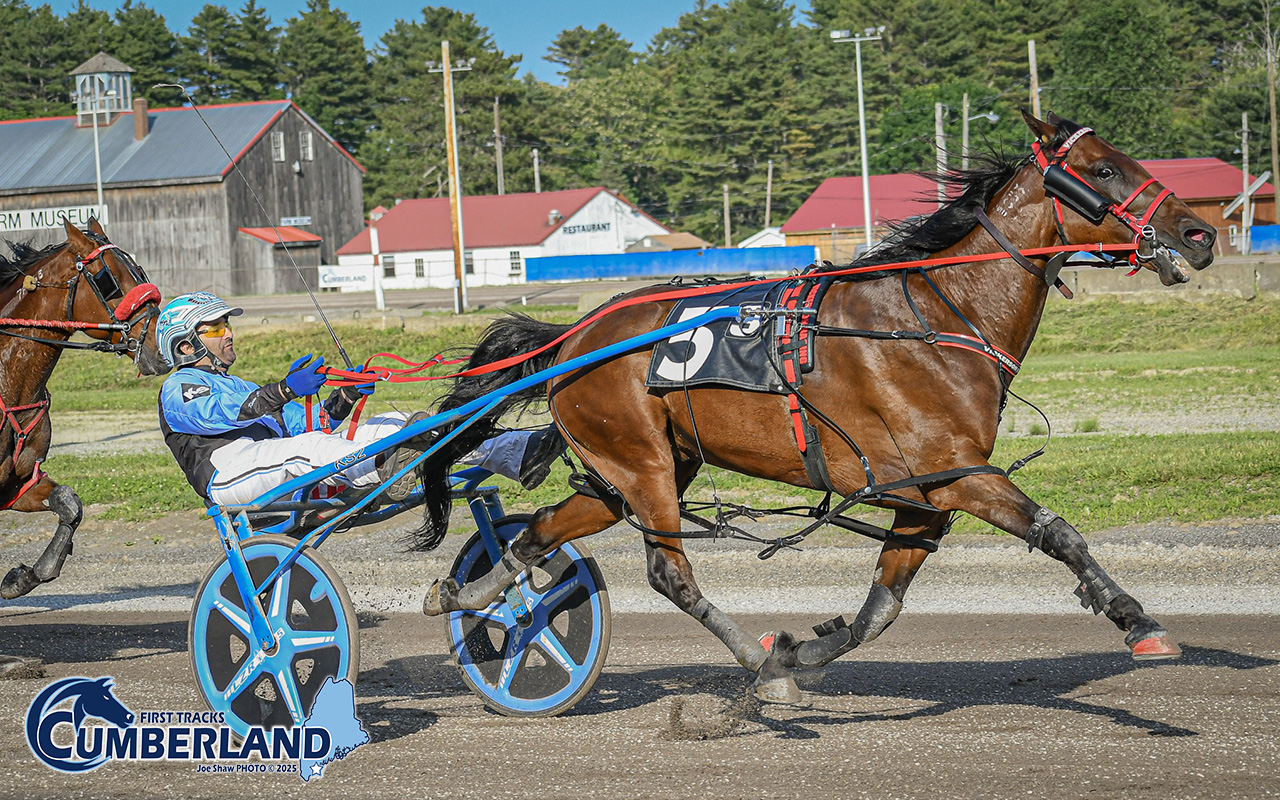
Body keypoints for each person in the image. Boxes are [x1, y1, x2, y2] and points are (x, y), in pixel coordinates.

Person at [155, 292, 563, 508]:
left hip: (272, 458)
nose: (227, 333)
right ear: (186, 346)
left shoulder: (241, 384)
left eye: (226, 325)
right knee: (307, 451)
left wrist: (346, 395)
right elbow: (223, 415)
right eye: (214, 328)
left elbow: (314, 425)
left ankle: (517, 451)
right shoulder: (179, 387)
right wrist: (286, 389)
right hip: (227, 475)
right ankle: (386, 465)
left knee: (392, 421)